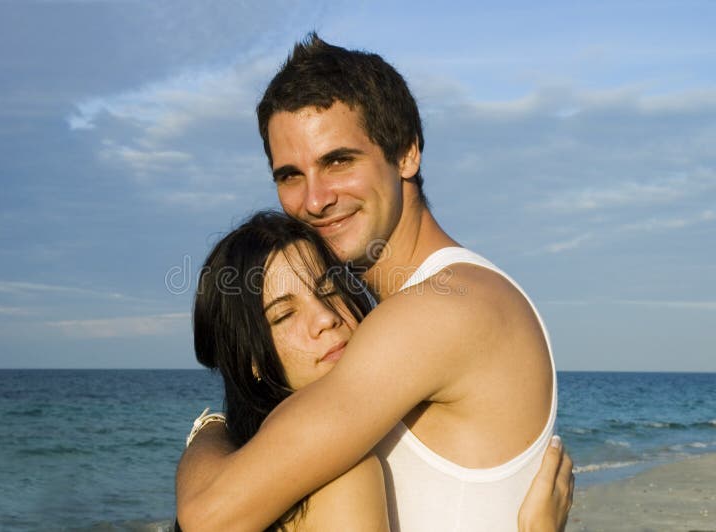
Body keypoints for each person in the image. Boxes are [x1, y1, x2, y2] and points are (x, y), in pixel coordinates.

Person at [177, 34, 573, 531]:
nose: (315, 199)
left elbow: (211, 516)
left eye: (338, 161)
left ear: (407, 153)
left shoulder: (440, 309)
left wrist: (209, 429)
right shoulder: (421, 307)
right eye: (291, 175)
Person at [183, 211, 570, 531]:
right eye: (284, 314)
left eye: (330, 289)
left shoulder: (245, 473)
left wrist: (210, 429)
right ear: (250, 357)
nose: (325, 318)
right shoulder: (344, 476)